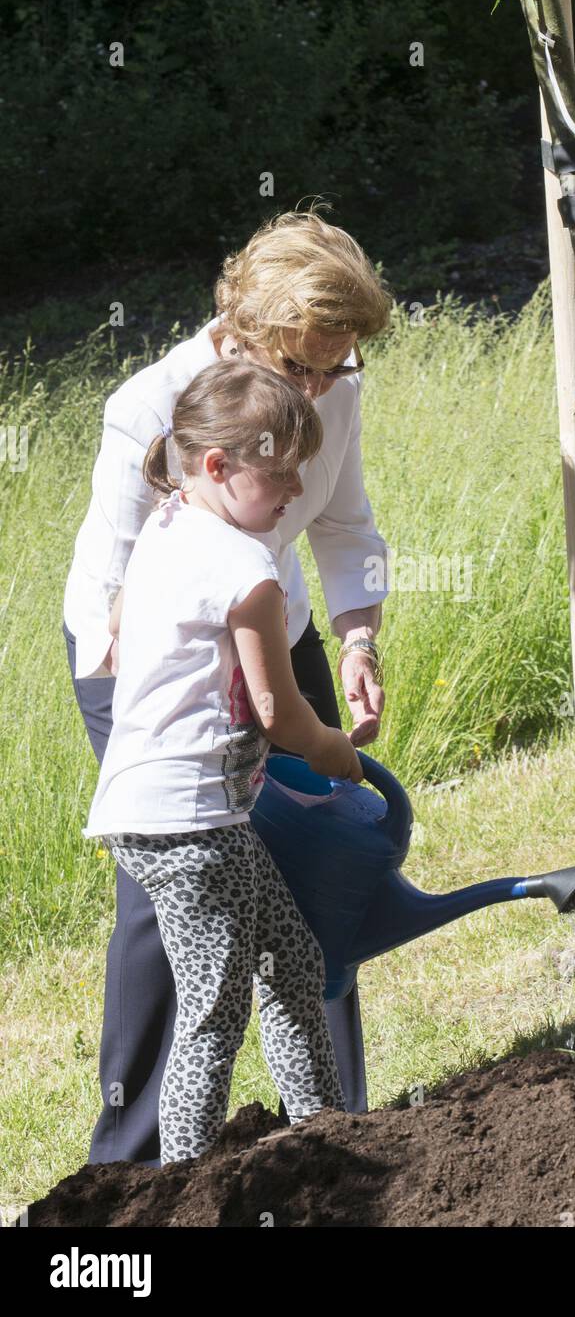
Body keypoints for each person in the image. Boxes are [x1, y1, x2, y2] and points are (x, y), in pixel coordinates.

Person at [62, 202, 392, 1165]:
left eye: (340, 365)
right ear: (243, 331)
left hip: (266, 622)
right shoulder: (149, 406)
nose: (324, 384)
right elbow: (121, 599)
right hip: (144, 663)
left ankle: (336, 1127)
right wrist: (205, 755)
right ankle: (129, 1166)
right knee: (173, 890)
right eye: (303, 365)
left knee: (322, 862)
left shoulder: (331, 386)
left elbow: (342, 524)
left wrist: (358, 641)